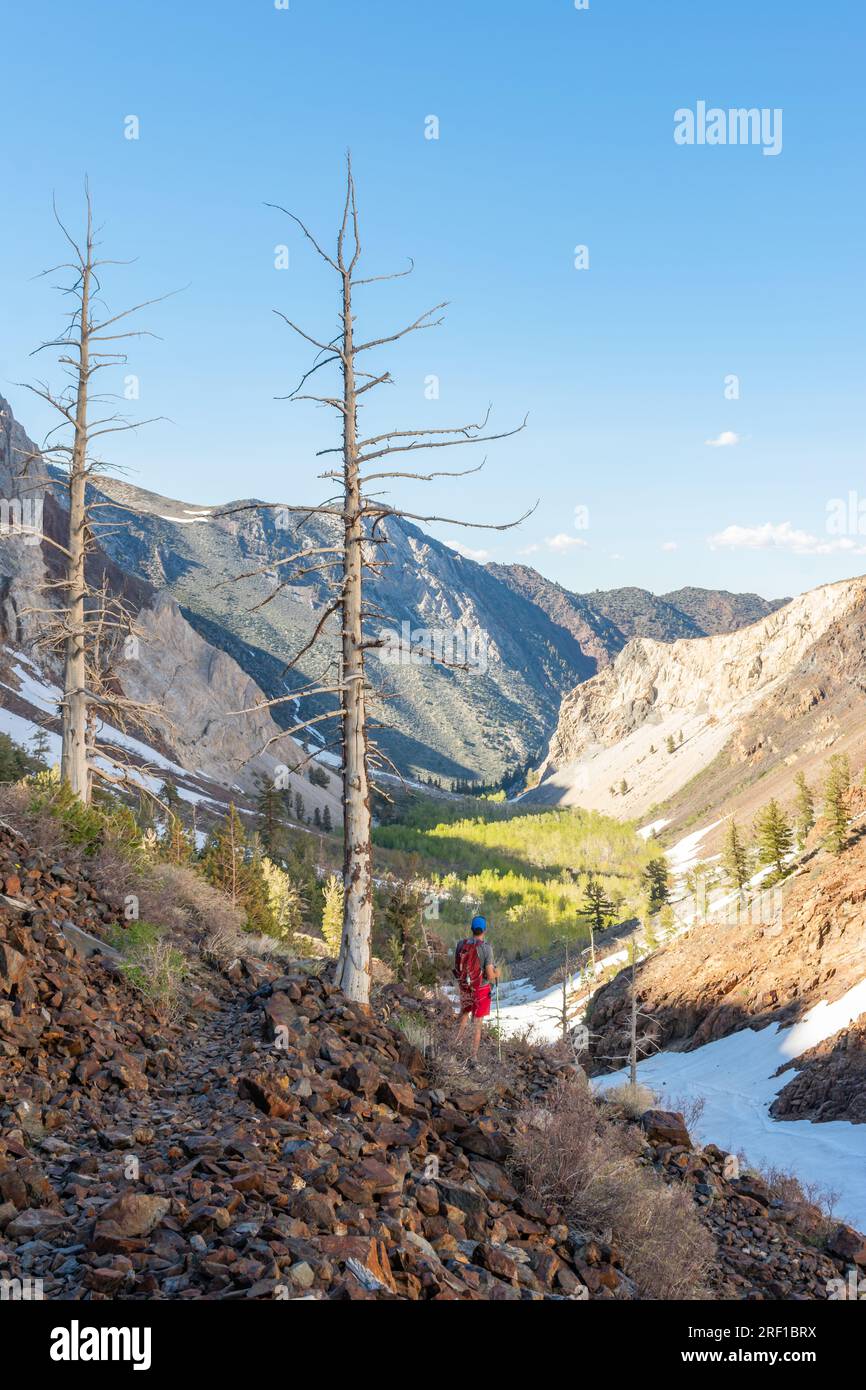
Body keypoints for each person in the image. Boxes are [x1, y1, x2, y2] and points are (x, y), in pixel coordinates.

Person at [454, 915, 499, 1058]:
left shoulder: (461, 944)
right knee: (477, 1023)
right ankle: (473, 1057)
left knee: (464, 1014)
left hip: (465, 986)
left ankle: (454, 1045)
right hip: (481, 989)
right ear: (484, 930)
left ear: (472, 929)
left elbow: (457, 967)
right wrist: (498, 973)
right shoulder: (486, 948)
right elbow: (490, 975)